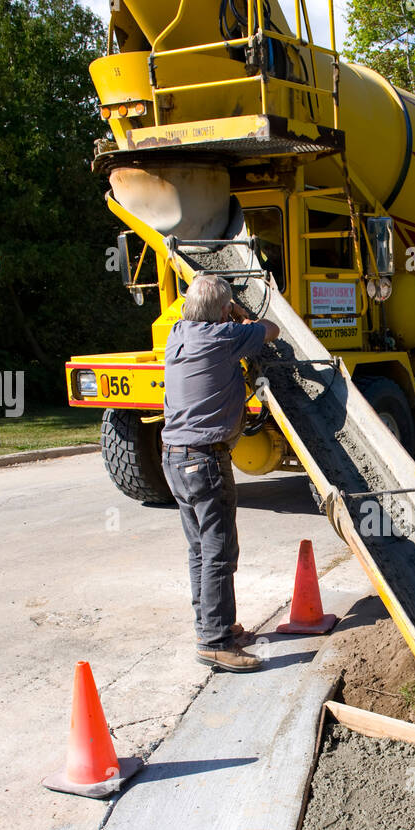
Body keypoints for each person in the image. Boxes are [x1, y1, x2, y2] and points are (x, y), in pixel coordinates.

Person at [161, 273, 278, 673]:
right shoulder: (224, 337)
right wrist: (241, 314)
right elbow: (271, 330)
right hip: (204, 461)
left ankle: (214, 627)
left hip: (175, 458)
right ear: (223, 312)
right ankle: (216, 642)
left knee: (200, 552)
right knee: (219, 553)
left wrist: (226, 311)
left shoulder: (178, 333)